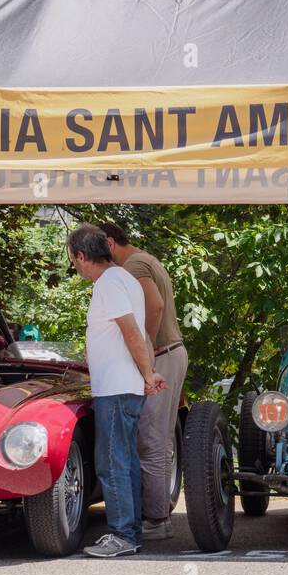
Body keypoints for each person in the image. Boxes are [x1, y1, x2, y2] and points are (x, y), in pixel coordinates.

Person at [67, 224, 166, 558]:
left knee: (111, 463)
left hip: (117, 387)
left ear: (82, 256)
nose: (75, 266)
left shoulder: (108, 283)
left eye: (74, 260)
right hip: (126, 384)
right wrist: (147, 374)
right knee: (125, 460)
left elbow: (131, 333)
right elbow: (136, 334)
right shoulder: (125, 278)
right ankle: (132, 532)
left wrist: (148, 373)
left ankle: (122, 534)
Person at [101, 221, 188, 541]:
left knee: (149, 441)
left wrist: (145, 349)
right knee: (160, 441)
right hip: (172, 352)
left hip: (163, 353)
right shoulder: (147, 259)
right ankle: (159, 513)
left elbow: (155, 305)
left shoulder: (135, 264)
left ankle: (156, 519)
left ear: (110, 243)